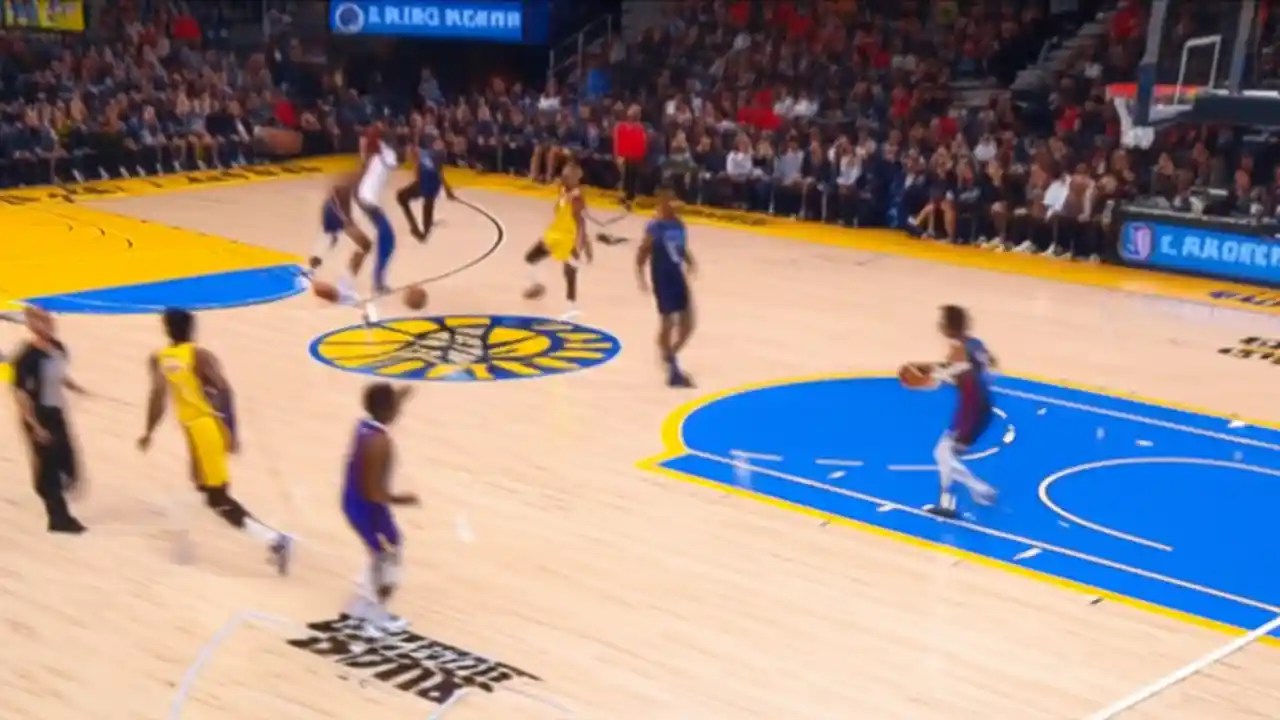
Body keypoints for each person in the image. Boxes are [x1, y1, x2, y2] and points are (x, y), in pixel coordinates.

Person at [138, 308, 293, 573]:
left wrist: (148, 432)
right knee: (205, 490)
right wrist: (232, 430)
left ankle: (275, 541)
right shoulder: (200, 356)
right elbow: (225, 392)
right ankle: (190, 540)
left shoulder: (159, 358)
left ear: (166, 329)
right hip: (203, 429)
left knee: (217, 497)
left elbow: (157, 399)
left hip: (201, 430)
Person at [343, 382, 418, 636]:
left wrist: (402, 395)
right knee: (387, 559)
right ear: (388, 410)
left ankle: (362, 603)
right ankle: (375, 618)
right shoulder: (379, 443)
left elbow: (384, 406)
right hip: (366, 505)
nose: (399, 411)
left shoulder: (366, 425)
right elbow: (373, 492)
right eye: (396, 406)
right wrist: (403, 499)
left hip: (358, 501)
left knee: (389, 550)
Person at [10, 306, 87, 533]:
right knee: (49, 467)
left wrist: (74, 386)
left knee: (68, 462)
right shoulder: (26, 357)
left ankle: (47, 489)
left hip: (56, 412)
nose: (50, 323)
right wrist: (34, 425)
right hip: (39, 415)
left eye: (49, 319)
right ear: (32, 326)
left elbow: (59, 373)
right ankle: (59, 519)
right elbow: (20, 394)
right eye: (43, 321)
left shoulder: (59, 348)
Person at [924, 305, 999, 518]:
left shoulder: (958, 349)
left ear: (949, 326)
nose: (939, 325)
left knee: (942, 453)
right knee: (945, 453)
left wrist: (936, 375)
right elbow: (991, 363)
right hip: (983, 403)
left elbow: (957, 375)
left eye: (942, 321)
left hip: (971, 407)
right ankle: (947, 502)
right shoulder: (975, 343)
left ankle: (980, 489)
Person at [636, 185, 696, 387]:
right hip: (662, 278)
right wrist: (641, 276)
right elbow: (642, 252)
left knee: (688, 324)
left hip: (677, 276)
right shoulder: (655, 226)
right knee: (668, 323)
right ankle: (671, 365)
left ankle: (669, 355)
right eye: (669, 199)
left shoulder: (679, 224)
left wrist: (690, 261)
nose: (673, 203)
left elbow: (681, 248)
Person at [522, 160, 591, 318]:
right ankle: (536, 285)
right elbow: (558, 209)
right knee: (531, 257)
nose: (564, 178)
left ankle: (571, 308)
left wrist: (580, 245)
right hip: (554, 233)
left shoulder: (577, 198)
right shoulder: (562, 189)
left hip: (568, 237)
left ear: (576, 178)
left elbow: (581, 223)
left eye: (568, 176)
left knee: (570, 273)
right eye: (564, 174)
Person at [308, 170, 372, 302]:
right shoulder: (356, 178)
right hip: (335, 212)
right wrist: (348, 219)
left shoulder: (359, 178)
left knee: (331, 239)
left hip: (331, 209)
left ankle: (312, 268)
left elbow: (339, 193)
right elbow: (339, 192)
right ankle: (345, 285)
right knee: (365, 245)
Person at [395, 136, 457, 242]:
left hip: (431, 182)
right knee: (403, 197)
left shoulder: (437, 153)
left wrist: (447, 189)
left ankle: (423, 231)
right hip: (425, 181)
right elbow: (419, 163)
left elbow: (438, 172)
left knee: (426, 206)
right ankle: (417, 228)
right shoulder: (426, 150)